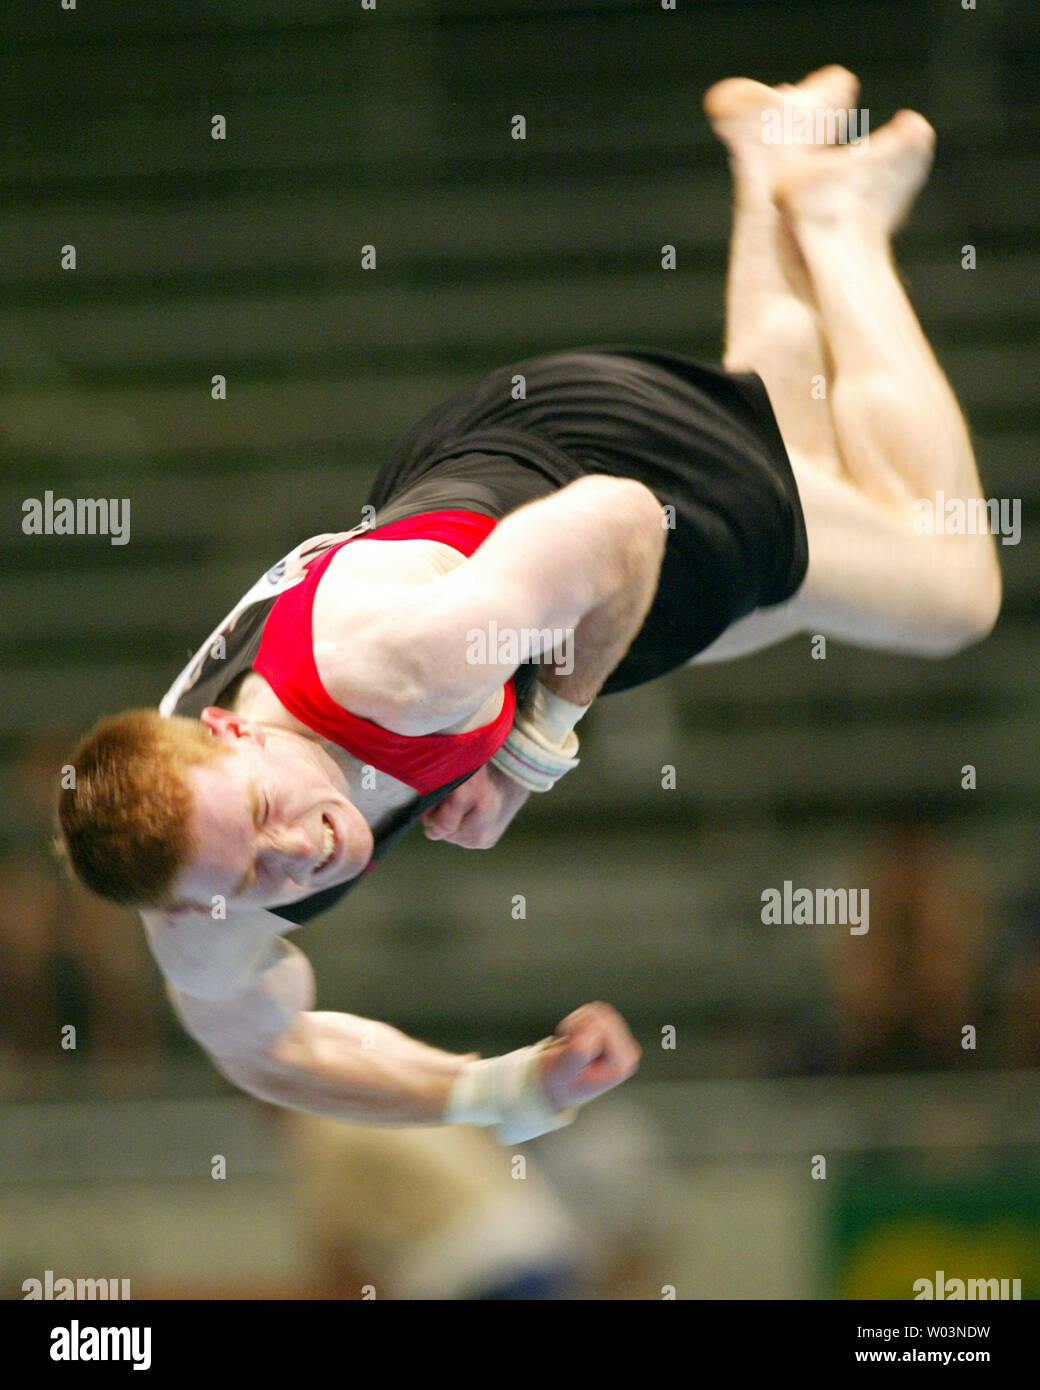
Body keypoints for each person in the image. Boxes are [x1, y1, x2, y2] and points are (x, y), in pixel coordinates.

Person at [57, 68, 1001, 1144]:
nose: (297, 852)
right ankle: (771, 155)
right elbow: (268, 1047)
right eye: (249, 874)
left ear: (223, 729)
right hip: (491, 524)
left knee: (946, 587)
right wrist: (496, 1093)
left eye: (261, 812)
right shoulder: (199, 898)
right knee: (797, 499)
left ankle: (837, 225)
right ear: (190, 906)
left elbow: (621, 526)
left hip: (594, 475)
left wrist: (529, 752)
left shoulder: (398, 669)